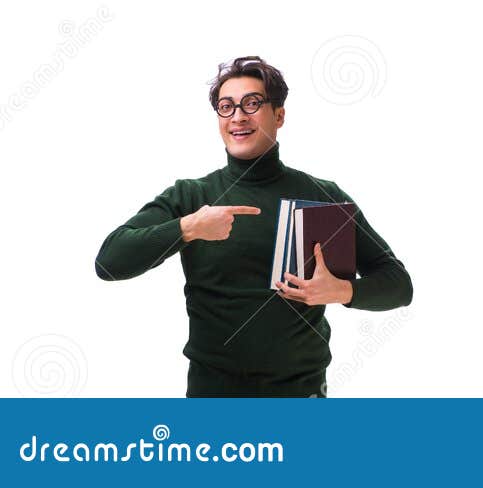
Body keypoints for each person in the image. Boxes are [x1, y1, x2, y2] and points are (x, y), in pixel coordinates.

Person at [94, 56, 413, 397]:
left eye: (252, 103)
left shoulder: (323, 196)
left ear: (279, 115)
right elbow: (109, 262)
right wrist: (188, 228)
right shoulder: (192, 197)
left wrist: (342, 291)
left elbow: (398, 285)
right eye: (226, 107)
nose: (238, 117)